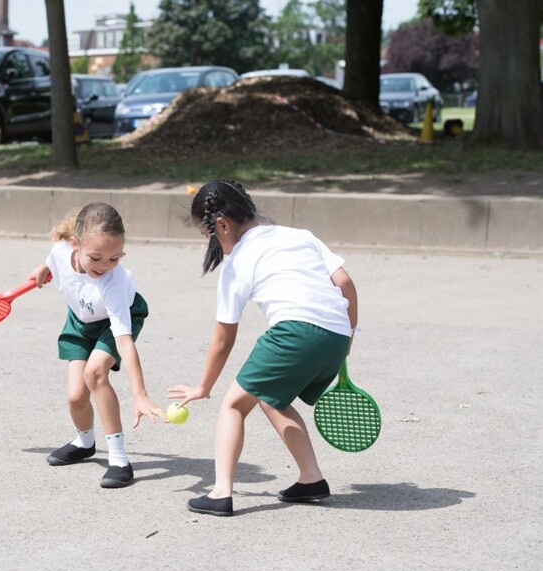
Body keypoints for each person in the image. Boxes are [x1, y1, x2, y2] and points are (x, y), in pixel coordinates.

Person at [168, 180, 358, 517]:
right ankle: (311, 479)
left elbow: (223, 338)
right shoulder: (300, 235)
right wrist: (348, 339)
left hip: (295, 332)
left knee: (233, 406)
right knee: (272, 397)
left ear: (222, 225)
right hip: (336, 334)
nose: (211, 243)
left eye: (208, 235)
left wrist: (204, 387)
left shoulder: (237, 264)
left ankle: (220, 493)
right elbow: (343, 283)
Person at [29, 202, 168, 488]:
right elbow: (53, 259)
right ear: (75, 244)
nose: (105, 266)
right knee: (75, 397)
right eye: (96, 258)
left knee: (95, 374)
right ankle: (84, 442)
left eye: (115, 258)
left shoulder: (113, 284)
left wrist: (139, 394)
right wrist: (43, 268)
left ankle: (119, 459)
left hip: (115, 321)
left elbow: (124, 342)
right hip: (81, 320)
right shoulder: (60, 252)